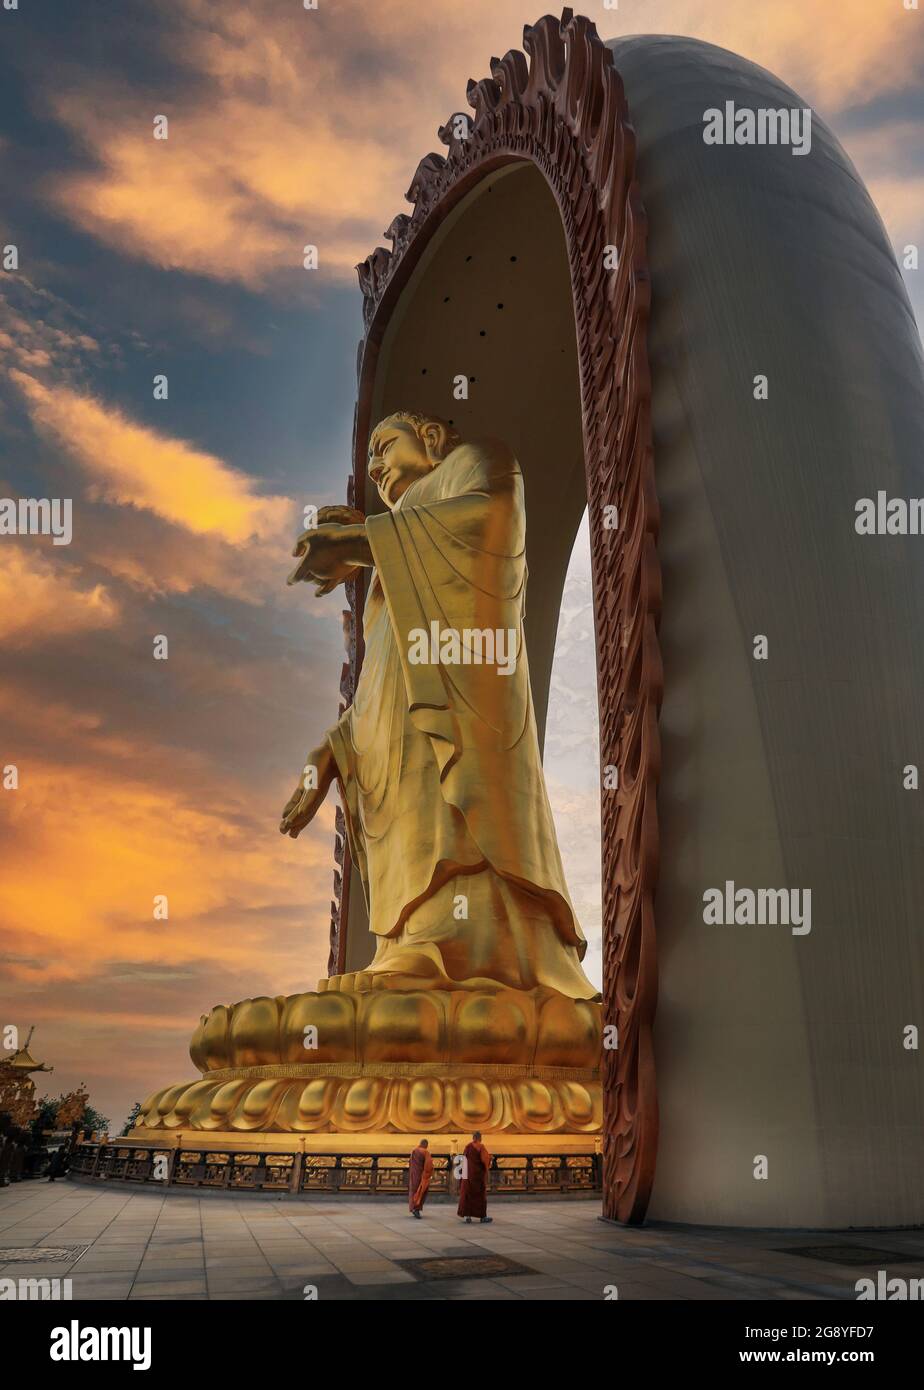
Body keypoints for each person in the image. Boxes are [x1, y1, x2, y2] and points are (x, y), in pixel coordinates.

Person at [457, 1131, 492, 1223]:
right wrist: (490, 1158)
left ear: (473, 1138)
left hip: (467, 1176)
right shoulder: (481, 1147)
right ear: (480, 1138)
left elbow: (463, 1160)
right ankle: (482, 1217)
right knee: (480, 1196)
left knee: (468, 1195)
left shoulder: (468, 1147)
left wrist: (462, 1174)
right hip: (478, 1176)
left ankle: (467, 1216)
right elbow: (485, 1160)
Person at [408, 1138, 433, 1218]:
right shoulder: (425, 1152)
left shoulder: (414, 1151)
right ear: (426, 1144)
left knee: (413, 1191)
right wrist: (429, 1175)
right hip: (422, 1176)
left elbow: (410, 1163)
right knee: (420, 1192)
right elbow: (429, 1166)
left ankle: (412, 1208)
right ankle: (417, 1209)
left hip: (413, 1175)